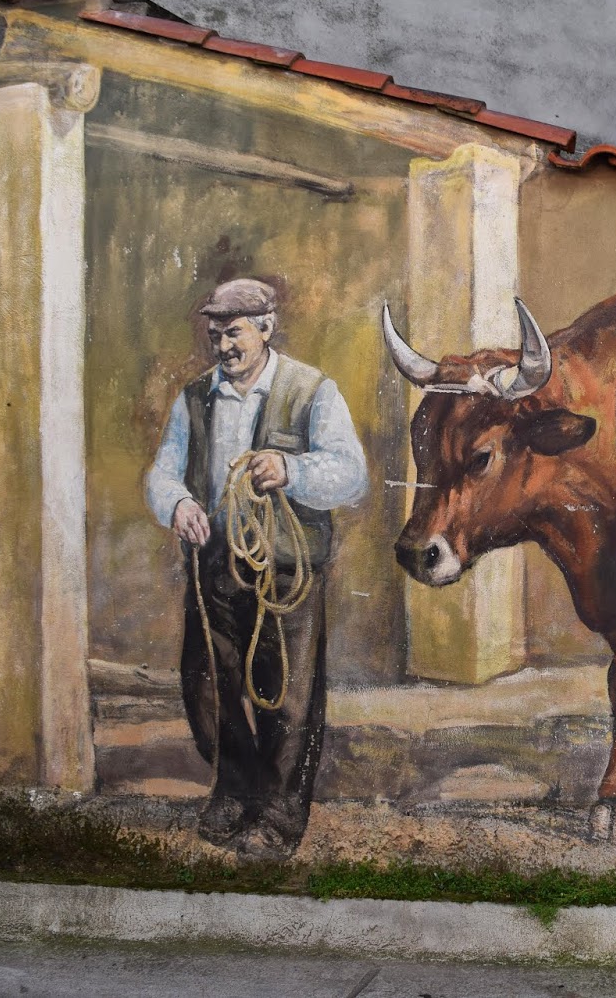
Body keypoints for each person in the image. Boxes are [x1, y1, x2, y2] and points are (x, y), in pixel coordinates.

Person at [145, 278, 366, 860]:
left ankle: (280, 815)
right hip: (216, 565)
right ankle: (235, 789)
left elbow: (351, 475)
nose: (223, 347)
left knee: (288, 699)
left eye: (234, 333)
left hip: (287, 574)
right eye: (215, 335)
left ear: (266, 327)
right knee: (209, 685)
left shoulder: (312, 390)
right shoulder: (194, 398)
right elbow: (163, 472)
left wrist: (292, 471)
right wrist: (180, 504)